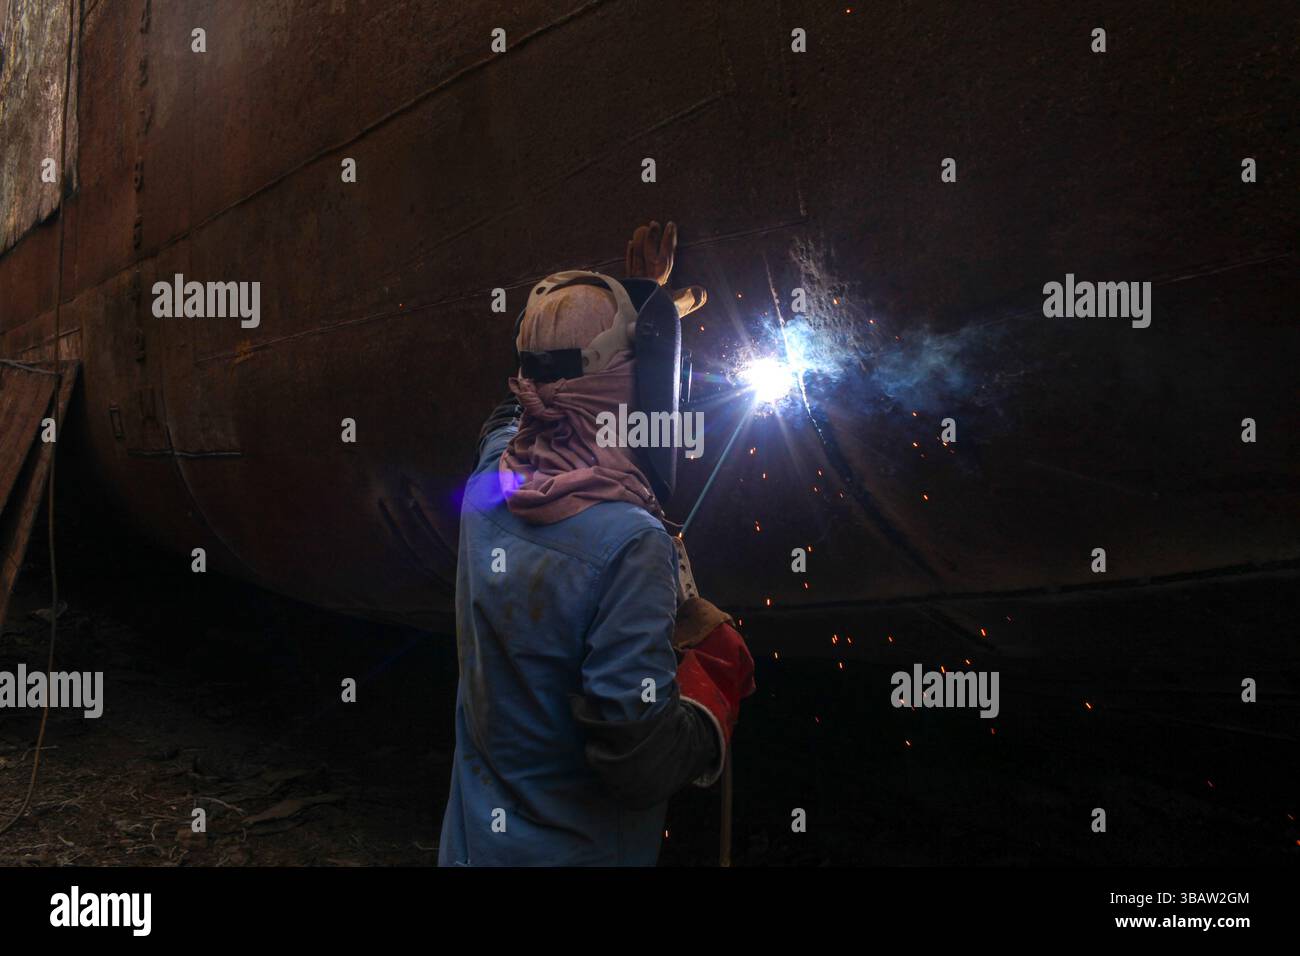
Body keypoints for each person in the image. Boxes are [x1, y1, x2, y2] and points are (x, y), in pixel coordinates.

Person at [438, 222, 756, 866]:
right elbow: (634, 755)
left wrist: (643, 303)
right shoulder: (633, 544)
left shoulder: (489, 484)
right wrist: (710, 699)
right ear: (629, 389)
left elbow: (523, 405)